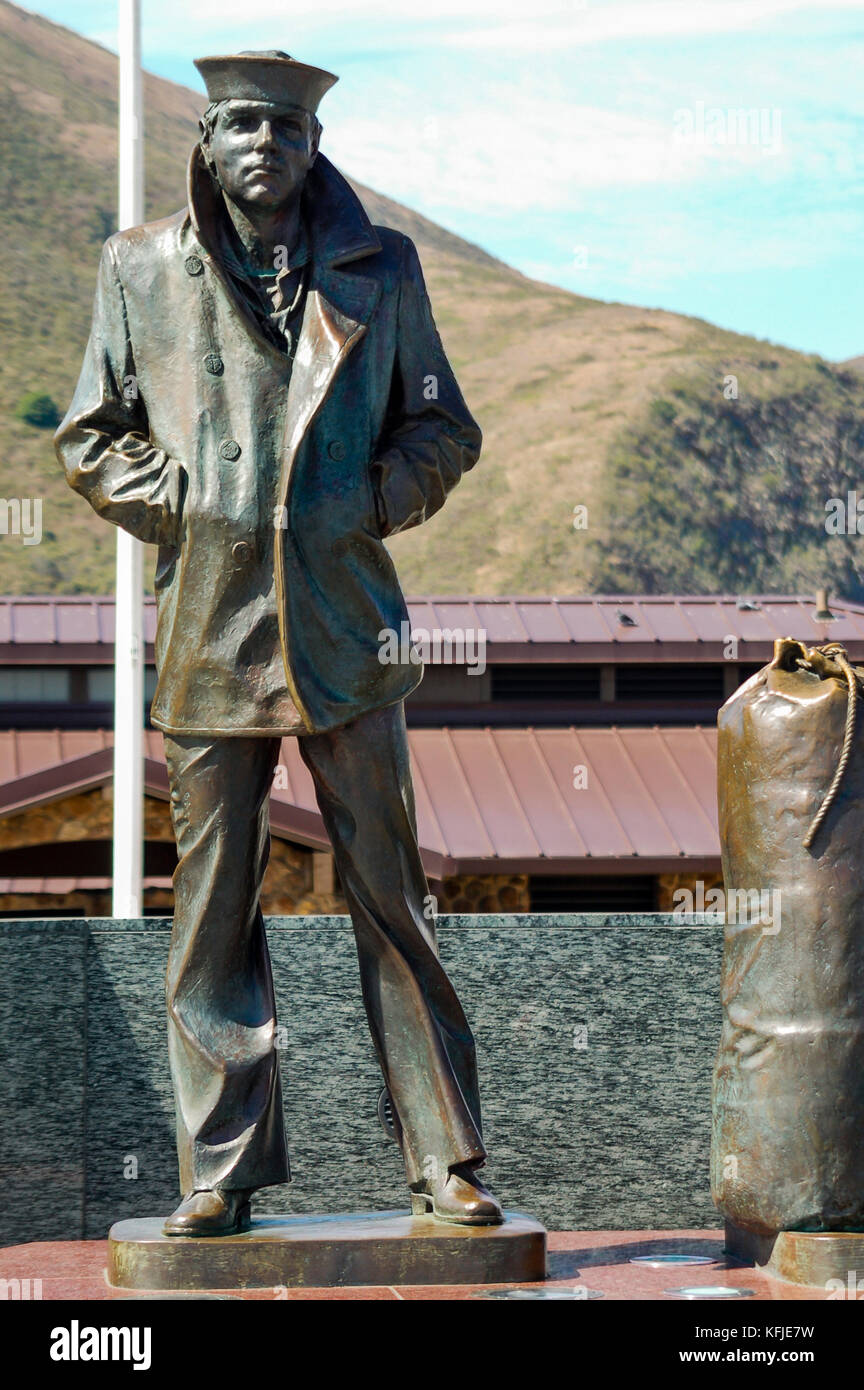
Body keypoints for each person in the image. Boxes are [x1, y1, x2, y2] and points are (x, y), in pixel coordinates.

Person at [55, 50, 502, 1235]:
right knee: (211, 910)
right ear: (206, 135)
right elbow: (92, 434)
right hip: (212, 626)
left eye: (288, 129)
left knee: (390, 898)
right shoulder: (139, 266)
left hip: (349, 626)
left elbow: (444, 427)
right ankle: (220, 1169)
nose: (266, 144)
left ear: (315, 146)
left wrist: (372, 499)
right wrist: (188, 505)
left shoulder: (379, 265)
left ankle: (445, 1160)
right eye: (243, 124)